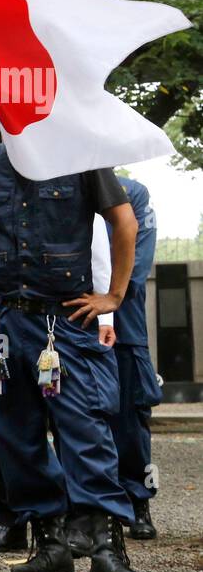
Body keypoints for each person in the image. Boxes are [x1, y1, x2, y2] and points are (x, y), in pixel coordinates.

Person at [0, 135, 147, 572]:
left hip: (67, 317)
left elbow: (123, 222)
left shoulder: (80, 155)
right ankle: (50, 543)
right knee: (16, 435)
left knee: (86, 429)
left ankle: (107, 549)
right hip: (8, 320)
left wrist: (115, 297)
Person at [109, 176, 160, 540]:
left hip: (125, 329)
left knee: (131, 419)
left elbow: (135, 269)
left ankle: (139, 500)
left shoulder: (133, 193)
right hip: (72, 323)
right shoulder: (56, 184)